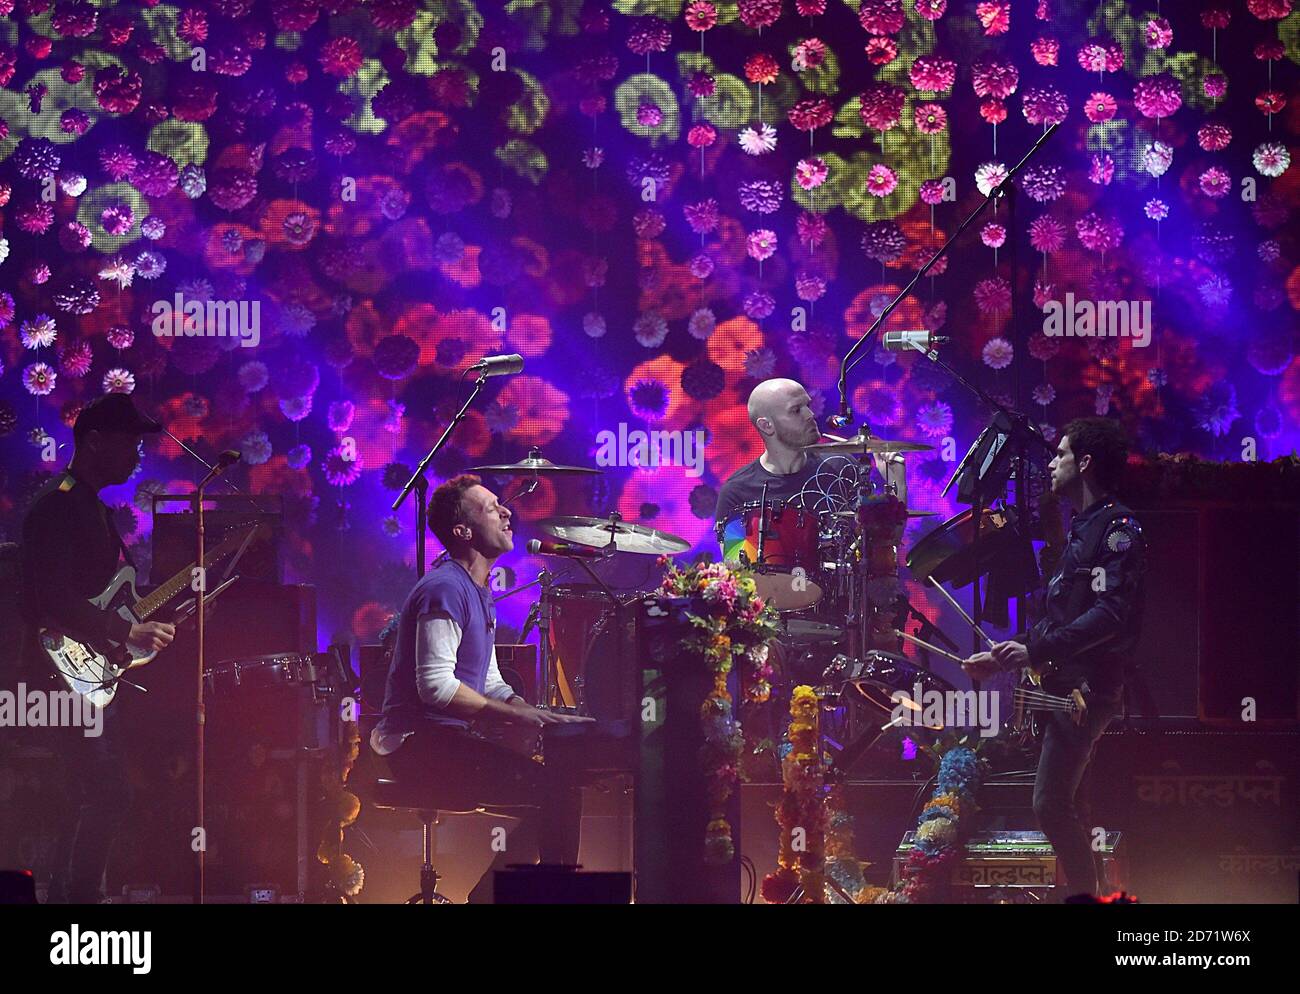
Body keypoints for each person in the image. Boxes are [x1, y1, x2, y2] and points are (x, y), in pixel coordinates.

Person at [370, 474, 591, 902]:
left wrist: (533, 711)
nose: (507, 512)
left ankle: (491, 897)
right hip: (417, 747)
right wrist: (517, 716)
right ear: (462, 531)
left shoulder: (476, 591)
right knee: (556, 792)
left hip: (442, 741)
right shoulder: (444, 588)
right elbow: (435, 687)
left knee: (557, 791)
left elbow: (487, 679)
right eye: (492, 507)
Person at [963, 417, 1145, 898]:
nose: (1052, 462)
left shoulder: (1117, 530)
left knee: (1049, 803)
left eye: (1060, 454)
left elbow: (1110, 615)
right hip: (1061, 687)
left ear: (1084, 463)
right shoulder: (1082, 529)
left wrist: (1036, 650)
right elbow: (1061, 618)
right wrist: (1007, 657)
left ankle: (1090, 896)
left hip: (1086, 691)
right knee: (1063, 803)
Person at [20, 393, 176, 903]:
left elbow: (99, 594)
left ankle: (75, 898)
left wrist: (136, 627)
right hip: (54, 679)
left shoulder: (88, 506)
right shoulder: (59, 505)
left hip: (87, 679)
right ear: (93, 441)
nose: (137, 454)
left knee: (91, 795)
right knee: (104, 793)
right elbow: (53, 597)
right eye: (130, 442)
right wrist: (124, 632)